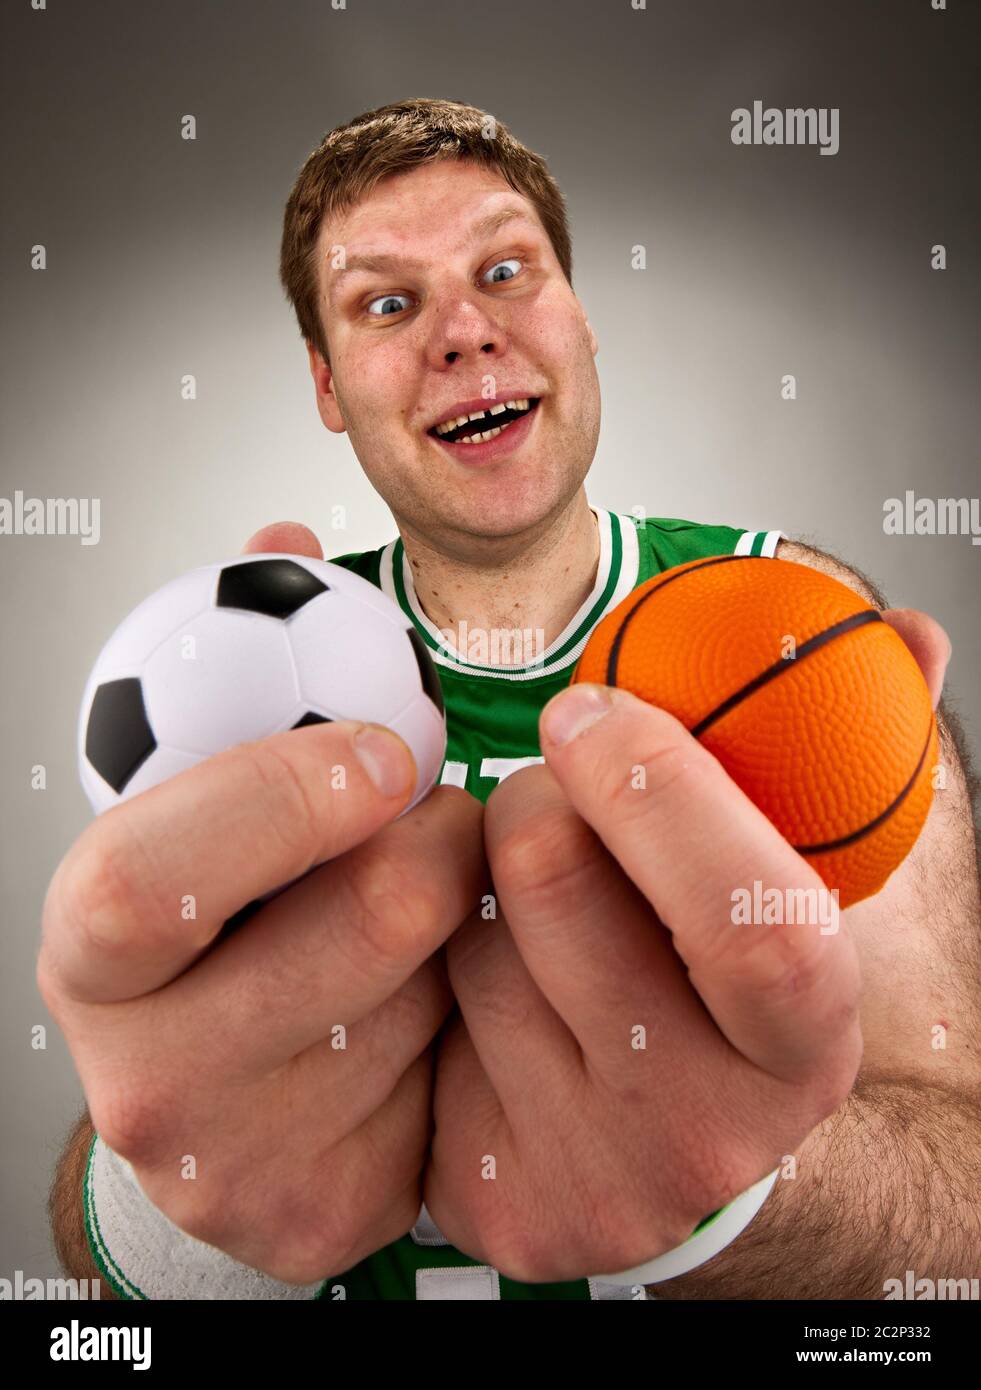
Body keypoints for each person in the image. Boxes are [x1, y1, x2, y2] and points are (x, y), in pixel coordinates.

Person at [41, 99, 981, 1301]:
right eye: (389, 302)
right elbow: (114, 1228)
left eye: (504, 270)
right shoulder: (219, 674)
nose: (465, 332)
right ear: (329, 387)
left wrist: (724, 1197)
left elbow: (959, 1218)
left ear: (583, 322)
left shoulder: (793, 621)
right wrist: (179, 1215)